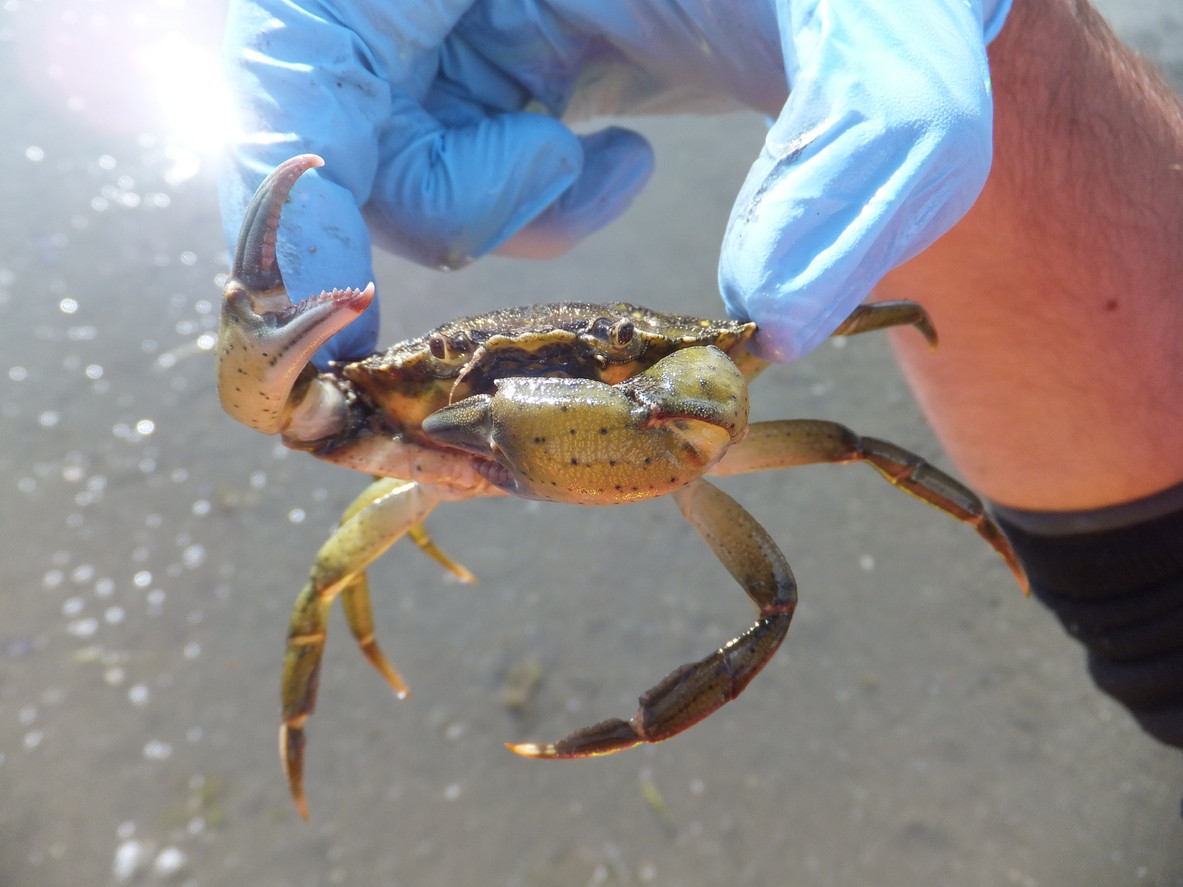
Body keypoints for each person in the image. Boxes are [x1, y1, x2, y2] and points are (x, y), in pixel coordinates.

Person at [220, 0, 1183, 746]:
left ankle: (638, 725)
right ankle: (300, 727)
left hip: (653, 412)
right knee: (328, 584)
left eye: (608, 366)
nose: (542, 378)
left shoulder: (696, 383)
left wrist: (1003, 32)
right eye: (467, 379)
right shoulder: (391, 415)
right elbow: (290, 400)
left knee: (792, 561)